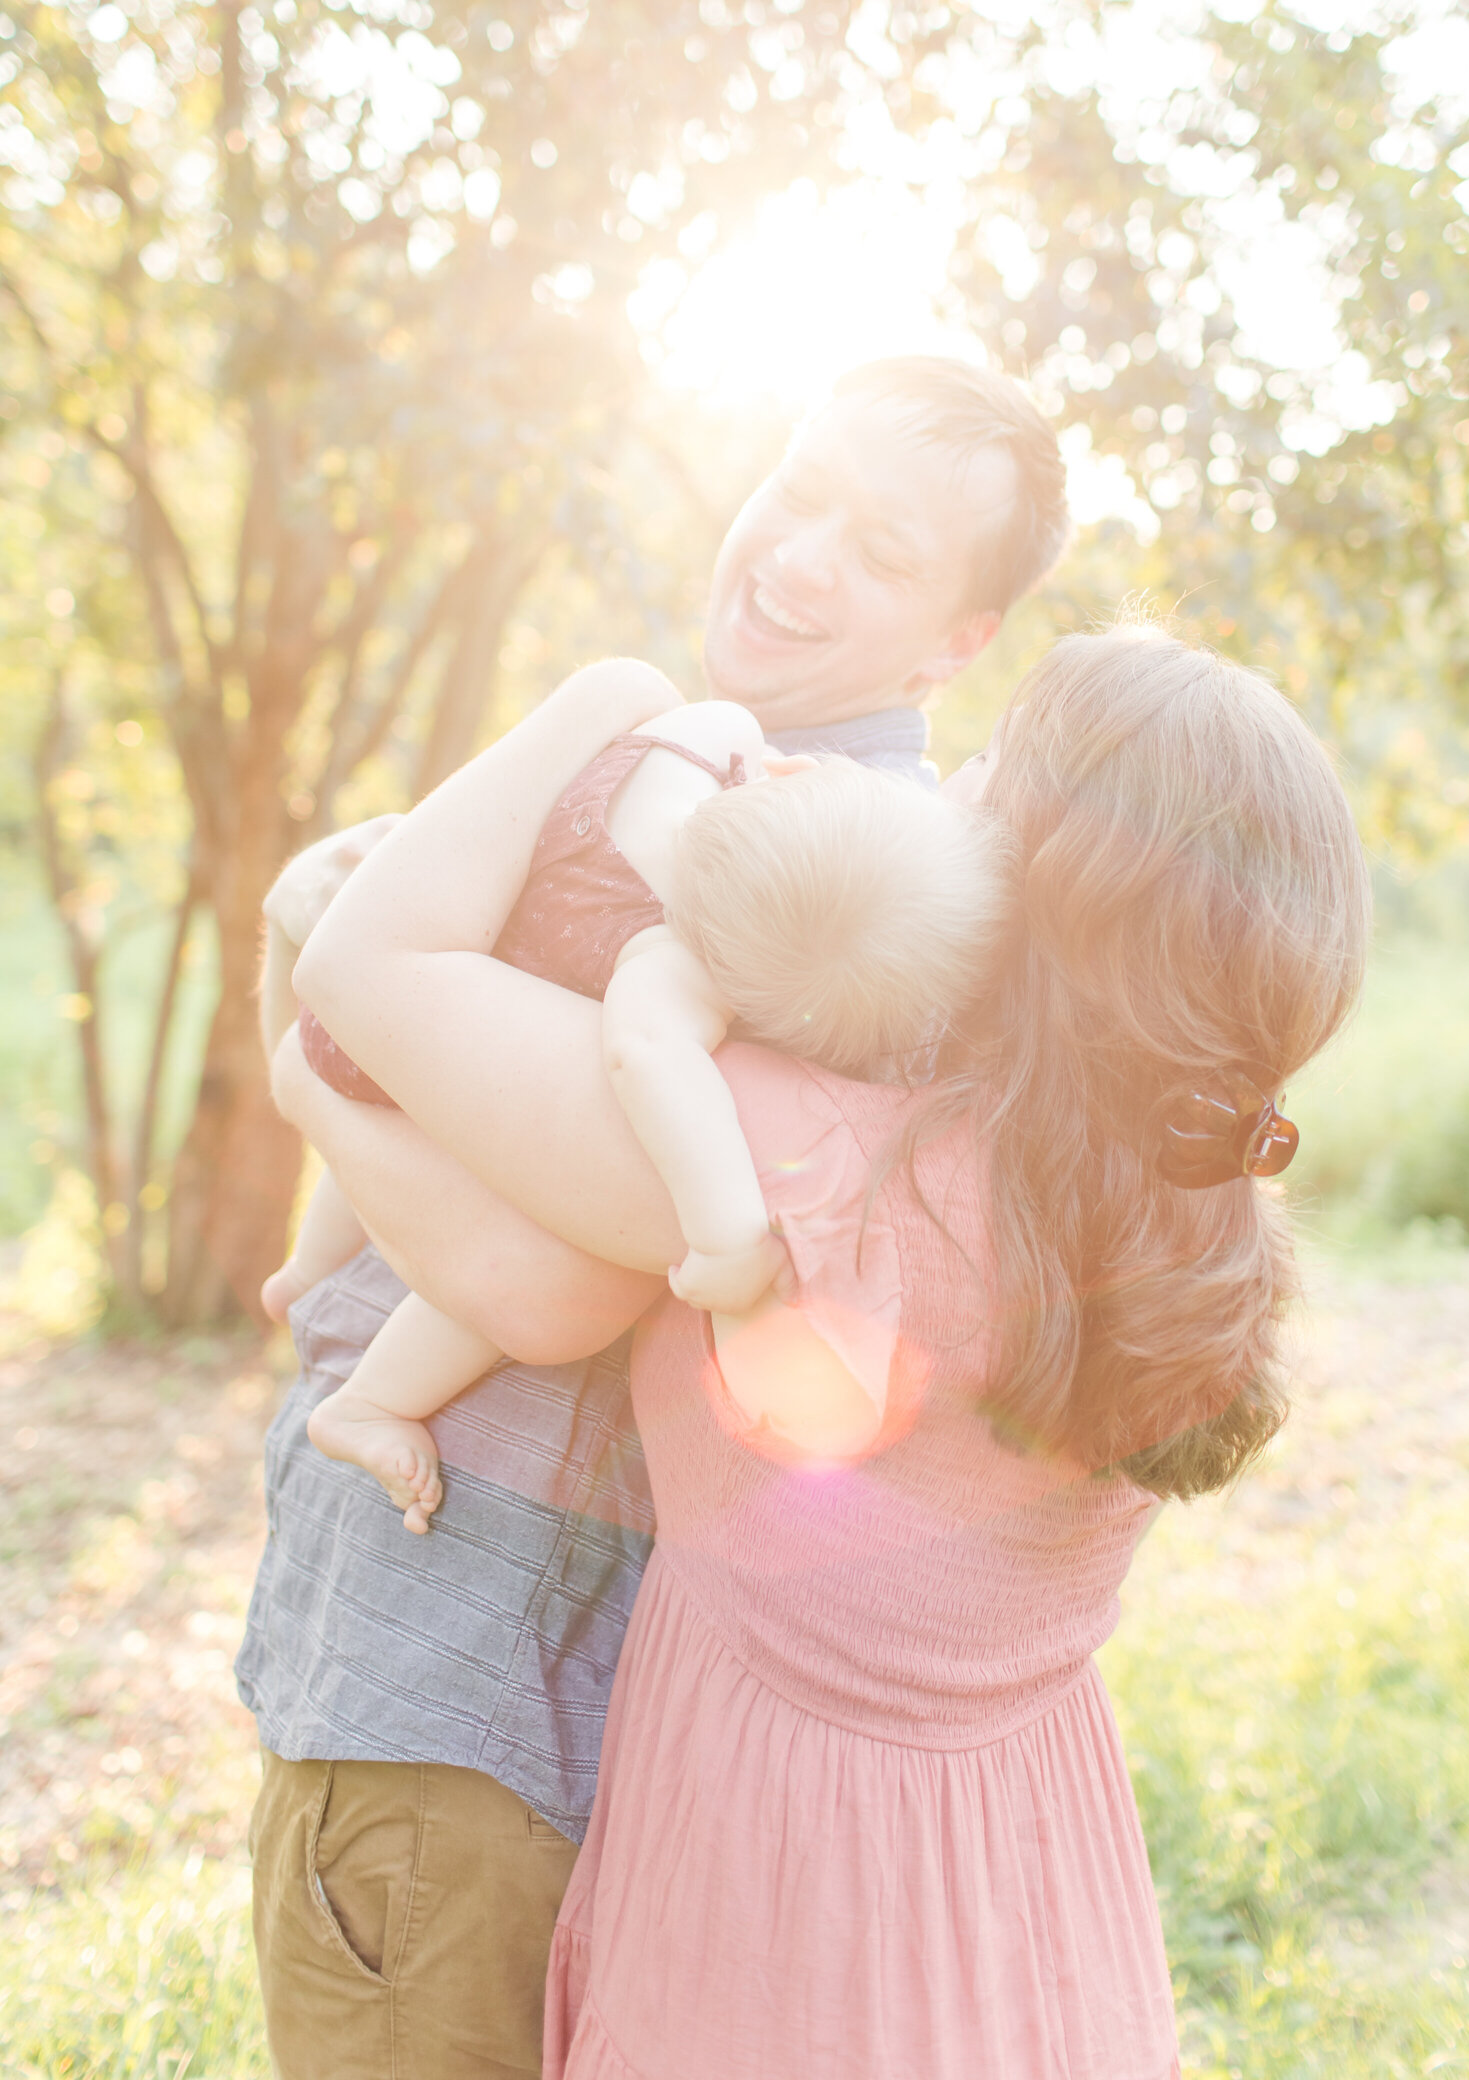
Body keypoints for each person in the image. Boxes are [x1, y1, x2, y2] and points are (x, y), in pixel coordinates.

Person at [273, 621, 1370, 2078]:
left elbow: (370, 965)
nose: (947, 792)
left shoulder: (812, 1156)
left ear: (1033, 888)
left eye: (990, 769)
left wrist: (609, 702)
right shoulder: (1191, 1211)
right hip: (1029, 1892)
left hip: (791, 1903)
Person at [239, 356, 1068, 2078]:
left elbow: (554, 1265)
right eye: (804, 480)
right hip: (470, 1660)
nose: (801, 553)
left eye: (885, 549)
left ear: (957, 642)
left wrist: (322, 1059)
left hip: (474, 1665)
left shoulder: (825, 885)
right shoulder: (699, 787)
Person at [286, 698, 1007, 1530]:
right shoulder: (671, 962)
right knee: (508, 1272)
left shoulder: (681, 749)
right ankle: (368, 1402)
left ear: (791, 772)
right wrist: (729, 1241)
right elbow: (651, 1062)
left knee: (375, 1146)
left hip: (367, 1019)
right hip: (410, 1056)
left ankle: (306, 1269)